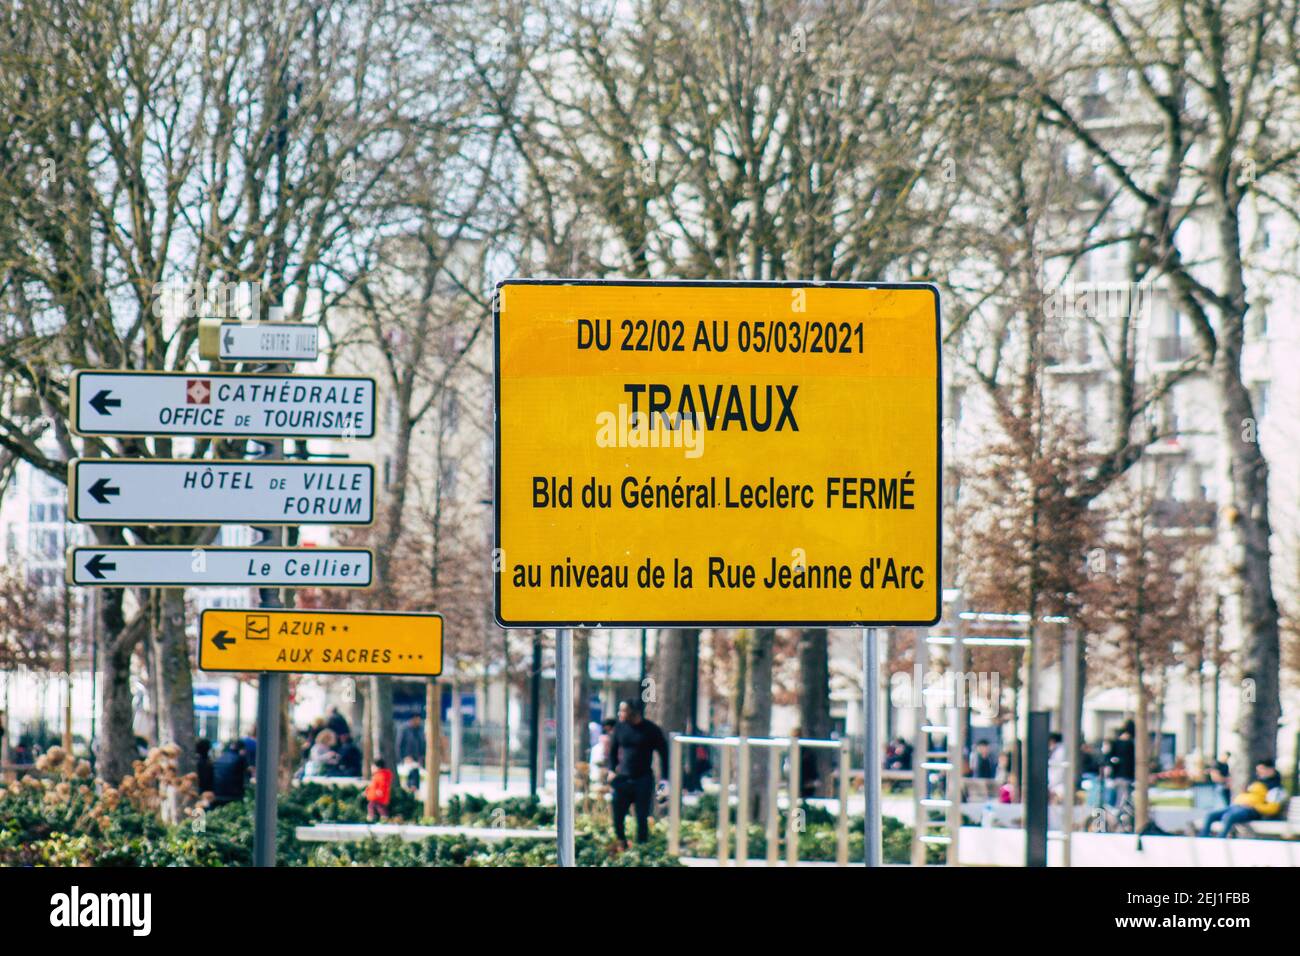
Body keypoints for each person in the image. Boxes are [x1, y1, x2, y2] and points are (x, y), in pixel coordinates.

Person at [606, 699, 669, 848]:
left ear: (634, 712)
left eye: (623, 710)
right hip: (623, 778)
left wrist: (665, 778)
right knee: (617, 813)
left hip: (643, 778)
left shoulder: (651, 730)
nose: (619, 714)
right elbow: (613, 751)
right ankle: (621, 842)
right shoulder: (620, 728)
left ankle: (641, 847)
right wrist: (611, 770)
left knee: (641, 817)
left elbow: (664, 753)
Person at [1200, 759, 1287, 837]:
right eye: (1258, 771)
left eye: (1261, 770)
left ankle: (1220, 840)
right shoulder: (1258, 782)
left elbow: (1273, 808)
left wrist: (1254, 806)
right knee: (1210, 815)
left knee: (1228, 817)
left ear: (1270, 770)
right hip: (1237, 807)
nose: (1258, 773)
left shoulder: (1275, 788)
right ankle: (1203, 839)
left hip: (1252, 811)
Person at [212, 739, 249, 806]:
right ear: (242, 750)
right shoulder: (240, 759)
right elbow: (245, 776)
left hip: (217, 793)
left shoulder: (221, 757)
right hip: (233, 794)